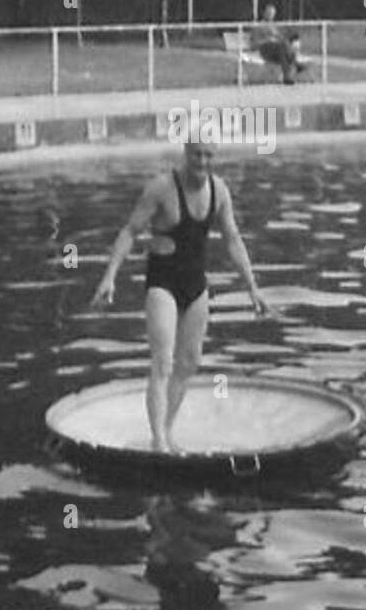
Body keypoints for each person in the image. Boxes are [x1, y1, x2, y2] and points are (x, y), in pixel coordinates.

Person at [91, 138, 269, 453]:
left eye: (208, 155)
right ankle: (159, 440)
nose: (202, 161)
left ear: (215, 157)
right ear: (186, 154)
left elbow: (233, 240)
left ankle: (165, 430)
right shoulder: (162, 188)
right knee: (163, 362)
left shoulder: (219, 192)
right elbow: (130, 231)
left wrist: (252, 287)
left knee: (189, 362)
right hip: (163, 283)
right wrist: (110, 277)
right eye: (197, 154)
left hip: (195, 285)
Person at [254, 3, 307, 85]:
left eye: (272, 14)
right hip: (265, 50)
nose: (270, 15)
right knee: (284, 47)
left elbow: (280, 38)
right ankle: (295, 63)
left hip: (278, 50)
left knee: (284, 50)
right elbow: (254, 43)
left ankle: (287, 78)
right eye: (269, 13)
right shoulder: (259, 26)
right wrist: (267, 39)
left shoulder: (274, 26)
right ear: (264, 13)